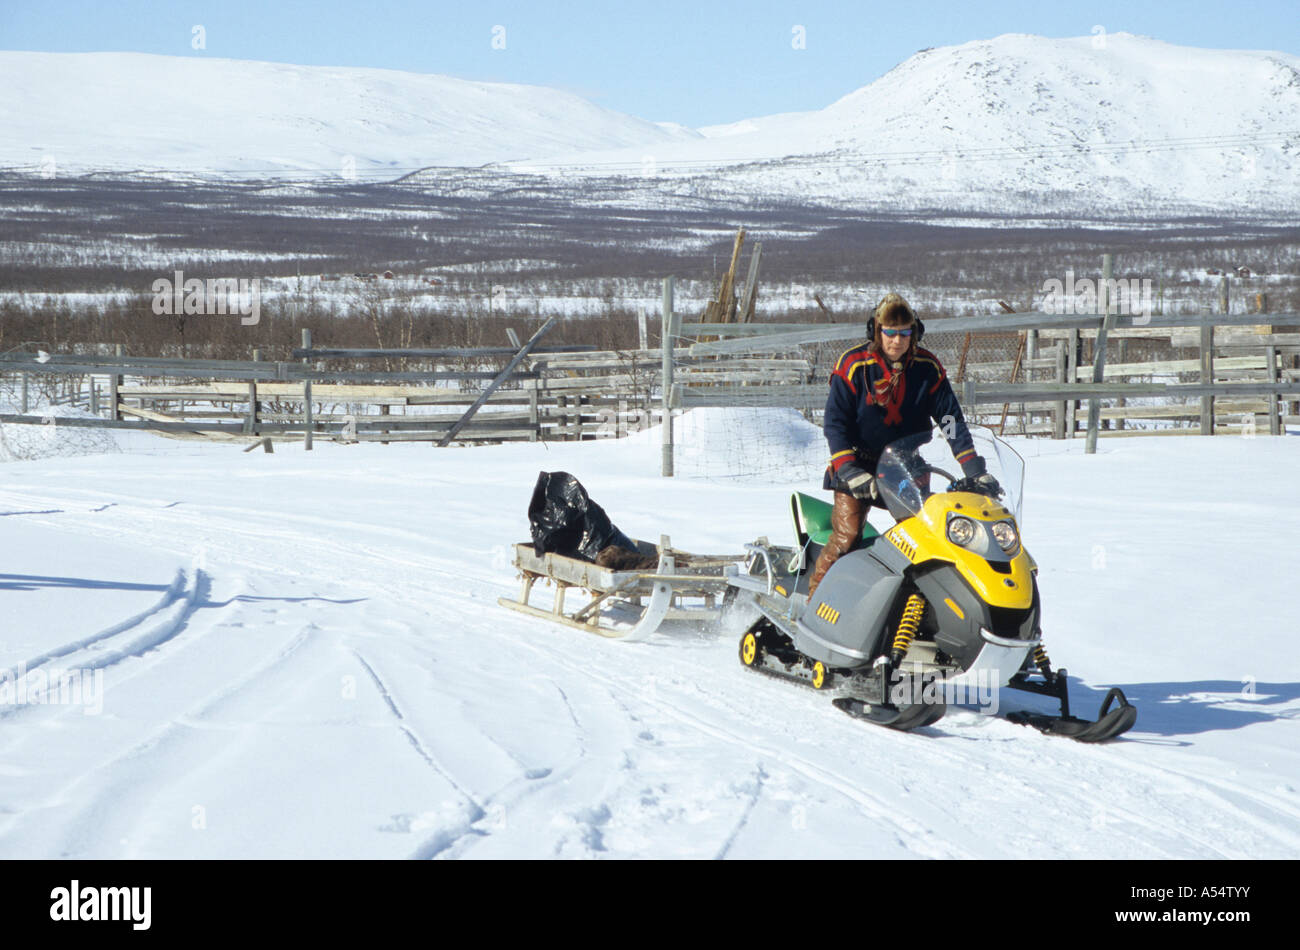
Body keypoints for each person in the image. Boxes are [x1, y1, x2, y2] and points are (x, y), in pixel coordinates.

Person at [807, 293, 1000, 596]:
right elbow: (835, 423)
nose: (897, 341)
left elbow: (951, 421)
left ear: (915, 334)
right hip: (856, 465)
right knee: (847, 536)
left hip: (903, 465)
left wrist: (973, 468)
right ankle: (814, 602)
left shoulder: (928, 368)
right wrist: (848, 469)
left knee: (922, 537)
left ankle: (913, 608)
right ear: (876, 331)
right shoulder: (853, 365)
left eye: (904, 333)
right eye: (890, 333)